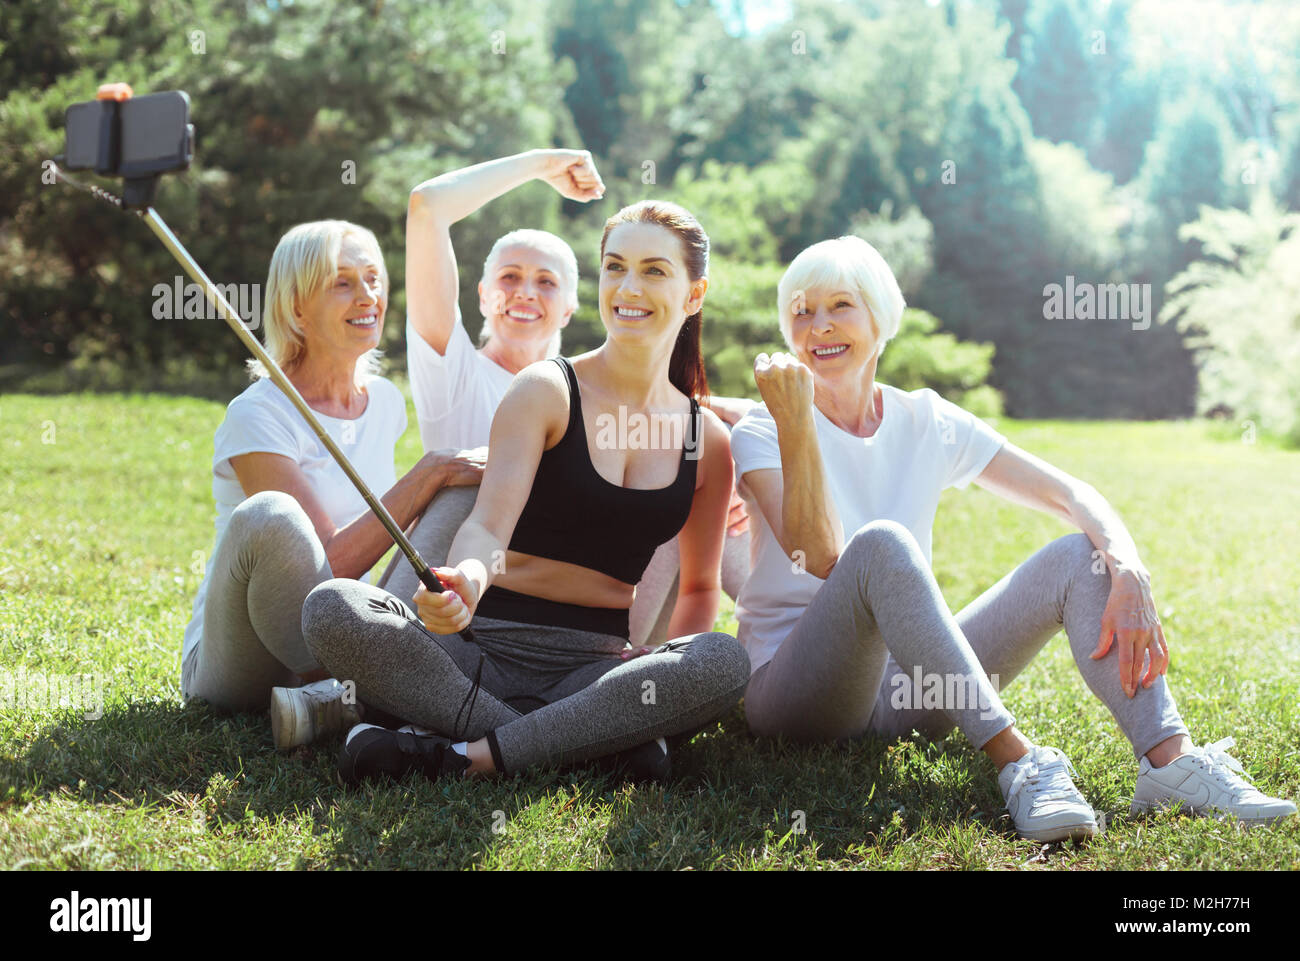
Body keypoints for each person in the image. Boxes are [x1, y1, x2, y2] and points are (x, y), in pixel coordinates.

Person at [730, 235, 1296, 840]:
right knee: (882, 545)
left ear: (879, 316)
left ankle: (1171, 762)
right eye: (801, 311)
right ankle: (1022, 763)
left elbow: (1070, 493)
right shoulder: (766, 429)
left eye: (839, 306)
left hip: (907, 689)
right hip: (797, 693)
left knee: (1086, 555)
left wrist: (1129, 568)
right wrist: (795, 424)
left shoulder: (926, 420)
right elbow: (822, 558)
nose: (817, 326)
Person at [302, 200, 750, 784]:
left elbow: (698, 586)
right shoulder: (547, 389)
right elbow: (489, 525)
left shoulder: (705, 440)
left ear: (694, 294)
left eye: (654, 270)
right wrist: (467, 577)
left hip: (591, 667)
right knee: (334, 608)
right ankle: (581, 744)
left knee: (721, 659)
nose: (627, 286)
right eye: (614, 267)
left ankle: (453, 752)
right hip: (475, 655)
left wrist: (659, 655)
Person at [387, 150, 751, 649]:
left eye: (546, 281)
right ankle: (515, 721)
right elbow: (427, 205)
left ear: (569, 306)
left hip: (600, 633)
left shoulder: (689, 428)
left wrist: (731, 431)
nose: (525, 293)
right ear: (480, 293)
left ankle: (780, 639)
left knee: (716, 652)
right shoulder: (493, 379)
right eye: (509, 277)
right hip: (474, 603)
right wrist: (541, 165)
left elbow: (647, 398)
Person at [180, 220, 483, 750]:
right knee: (273, 515)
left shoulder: (385, 401)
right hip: (242, 662)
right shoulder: (258, 413)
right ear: (297, 307)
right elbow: (326, 569)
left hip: (343, 637)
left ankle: (349, 695)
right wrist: (426, 473)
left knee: (460, 489)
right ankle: (380, 692)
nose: (368, 296)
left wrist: (444, 482)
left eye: (372, 278)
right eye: (342, 282)